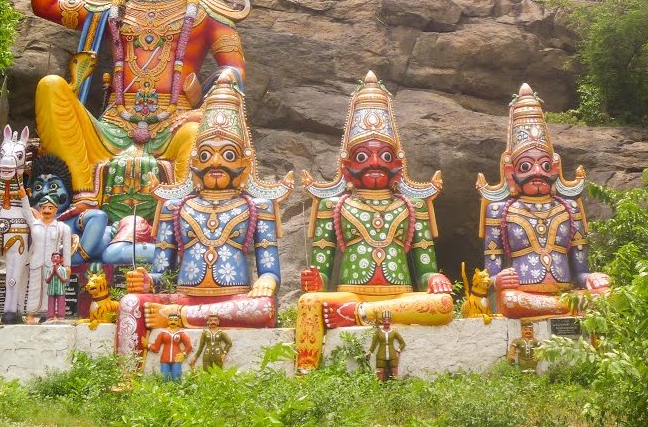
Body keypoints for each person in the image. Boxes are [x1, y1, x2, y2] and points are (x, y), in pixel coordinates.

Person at [31, 0, 250, 252]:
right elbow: (45, 4)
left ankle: (182, 222)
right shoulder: (110, 9)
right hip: (111, 129)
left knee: (203, 133)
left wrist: (218, 89)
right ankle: (84, 203)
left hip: (175, 124)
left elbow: (234, 68)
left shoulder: (209, 14)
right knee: (50, 87)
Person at [116, 70, 291, 359]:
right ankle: (126, 374)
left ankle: (178, 316)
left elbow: (270, 270)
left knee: (262, 307)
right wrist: (149, 281)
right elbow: (164, 272)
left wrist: (268, 281)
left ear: (245, 163)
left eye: (229, 155)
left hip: (234, 298)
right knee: (130, 304)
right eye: (207, 154)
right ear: (195, 161)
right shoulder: (176, 207)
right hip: (185, 295)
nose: (217, 162)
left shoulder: (257, 207)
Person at [295, 72, 453, 372]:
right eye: (363, 156)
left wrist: (433, 278)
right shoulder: (334, 204)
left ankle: (360, 313)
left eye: (385, 155)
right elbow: (321, 267)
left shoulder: (413, 204)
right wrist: (315, 281)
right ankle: (305, 372)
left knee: (443, 305)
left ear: (398, 161)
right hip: (350, 292)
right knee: (307, 303)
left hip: (400, 295)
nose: (375, 162)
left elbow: (426, 268)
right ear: (346, 163)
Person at [478, 84, 609, 319]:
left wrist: (590, 278)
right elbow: (489, 276)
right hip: (521, 296)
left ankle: (563, 308)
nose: (537, 171)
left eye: (545, 165)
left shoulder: (568, 207)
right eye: (526, 166)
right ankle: (569, 310)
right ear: (511, 172)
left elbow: (580, 271)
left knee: (605, 294)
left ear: (555, 168)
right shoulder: (499, 210)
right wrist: (498, 280)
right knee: (509, 300)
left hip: (565, 293)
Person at [19, 184, 72, 323]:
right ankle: (30, 315)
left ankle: (48, 315)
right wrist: (24, 196)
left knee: (50, 291)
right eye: (44, 208)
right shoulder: (34, 224)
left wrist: (67, 266)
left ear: (56, 210)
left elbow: (66, 248)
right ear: (40, 209)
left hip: (53, 266)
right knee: (34, 289)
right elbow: (25, 211)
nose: (47, 210)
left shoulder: (62, 228)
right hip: (36, 262)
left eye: (50, 208)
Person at [148, 313, 192, 382]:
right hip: (164, 360)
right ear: (168, 321)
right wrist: (147, 345)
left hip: (177, 359)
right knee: (164, 378)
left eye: (175, 320)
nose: (173, 322)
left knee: (176, 378)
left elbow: (189, 346)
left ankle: (177, 392)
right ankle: (164, 392)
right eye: (171, 320)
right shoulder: (163, 333)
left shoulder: (181, 333)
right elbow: (156, 348)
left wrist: (184, 354)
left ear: (179, 321)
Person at [368, 310, 405, 380]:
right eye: (385, 320)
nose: (387, 322)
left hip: (392, 355)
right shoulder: (378, 332)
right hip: (381, 355)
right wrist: (369, 353)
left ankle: (396, 387)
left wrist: (398, 351)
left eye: (388, 320)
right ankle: (380, 387)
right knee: (380, 373)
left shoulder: (394, 332)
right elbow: (374, 344)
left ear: (391, 321)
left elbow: (402, 343)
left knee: (395, 374)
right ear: (382, 321)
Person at [45, 251, 69, 322]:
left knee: (61, 303)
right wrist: (53, 272)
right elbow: (47, 280)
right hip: (51, 290)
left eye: (57, 257)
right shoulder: (49, 269)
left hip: (60, 289)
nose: (55, 258)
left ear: (61, 259)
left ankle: (61, 316)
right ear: (51, 259)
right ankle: (50, 316)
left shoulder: (63, 269)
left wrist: (57, 273)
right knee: (51, 303)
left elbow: (64, 280)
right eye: (54, 257)